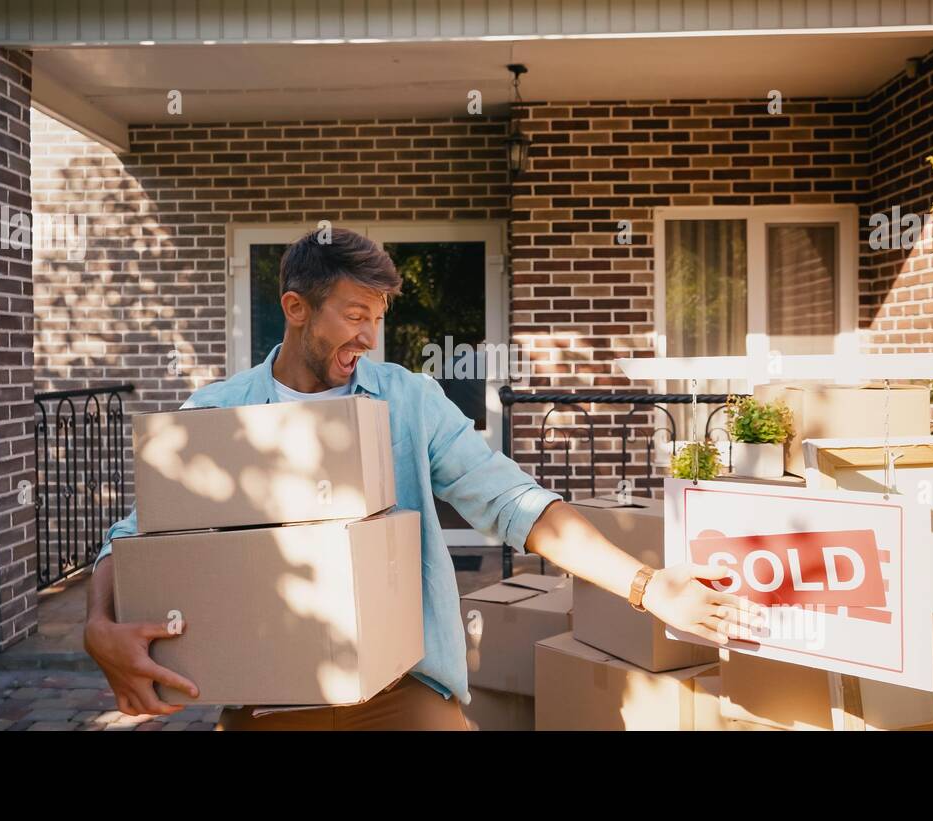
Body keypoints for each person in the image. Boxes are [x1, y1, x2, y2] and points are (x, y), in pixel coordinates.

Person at [83, 227, 763, 730]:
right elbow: (136, 533)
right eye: (355, 315)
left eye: (378, 318)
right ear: (295, 308)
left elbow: (515, 502)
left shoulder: (405, 401)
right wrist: (95, 624)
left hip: (402, 691)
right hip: (270, 699)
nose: (370, 337)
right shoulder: (219, 413)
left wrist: (649, 586)